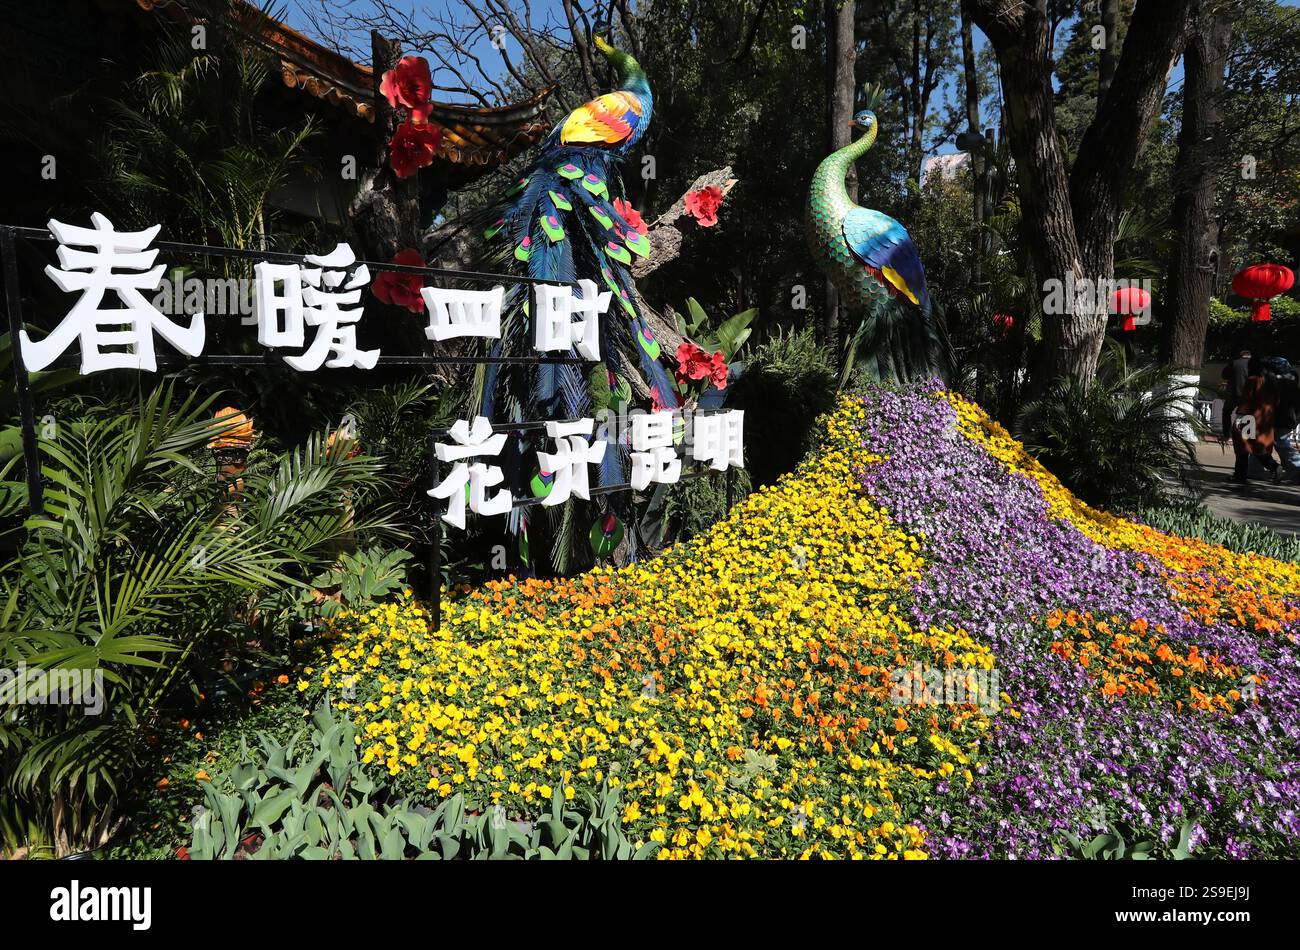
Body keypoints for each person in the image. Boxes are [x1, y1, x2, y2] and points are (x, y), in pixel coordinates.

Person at [1229, 355, 1282, 484]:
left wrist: (1239, 417)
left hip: (1249, 418)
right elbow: (1277, 402)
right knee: (1258, 448)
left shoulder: (1253, 380)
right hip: (1265, 419)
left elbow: (1246, 399)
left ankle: (1240, 475)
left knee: (1243, 448)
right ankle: (1274, 467)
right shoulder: (1272, 382)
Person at [1268, 356, 1300, 484]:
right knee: (1272, 444)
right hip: (1284, 418)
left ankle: (1297, 470)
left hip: (1282, 418)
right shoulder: (1291, 380)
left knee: (1282, 445)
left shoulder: (1282, 382)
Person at [1220, 349, 1253, 441]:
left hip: (1233, 395)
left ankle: (1227, 435)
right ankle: (1247, 436)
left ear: (1241, 355)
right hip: (1248, 396)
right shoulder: (1255, 365)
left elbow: (1224, 375)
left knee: (1226, 412)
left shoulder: (1234, 363)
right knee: (1248, 415)